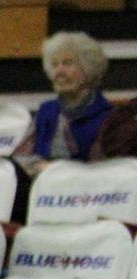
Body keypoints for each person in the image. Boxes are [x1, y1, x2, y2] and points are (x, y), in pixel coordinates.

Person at [14, 32, 113, 177]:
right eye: (54, 65)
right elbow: (18, 159)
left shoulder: (107, 116)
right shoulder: (45, 112)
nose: (59, 72)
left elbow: (101, 170)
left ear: (89, 69)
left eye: (67, 63)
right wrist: (37, 166)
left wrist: (54, 169)